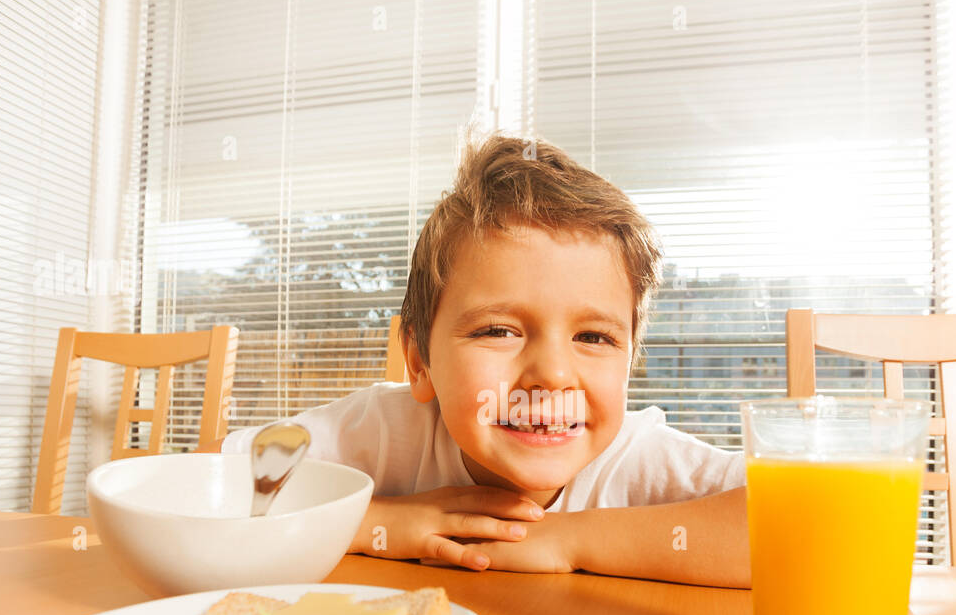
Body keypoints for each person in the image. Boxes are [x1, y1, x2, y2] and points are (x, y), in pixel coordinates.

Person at [221, 134, 751, 588]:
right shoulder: (382, 432)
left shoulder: (637, 458)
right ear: (420, 363)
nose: (554, 375)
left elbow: (816, 523)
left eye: (593, 336)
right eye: (499, 330)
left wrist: (570, 541)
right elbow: (211, 483)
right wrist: (369, 521)